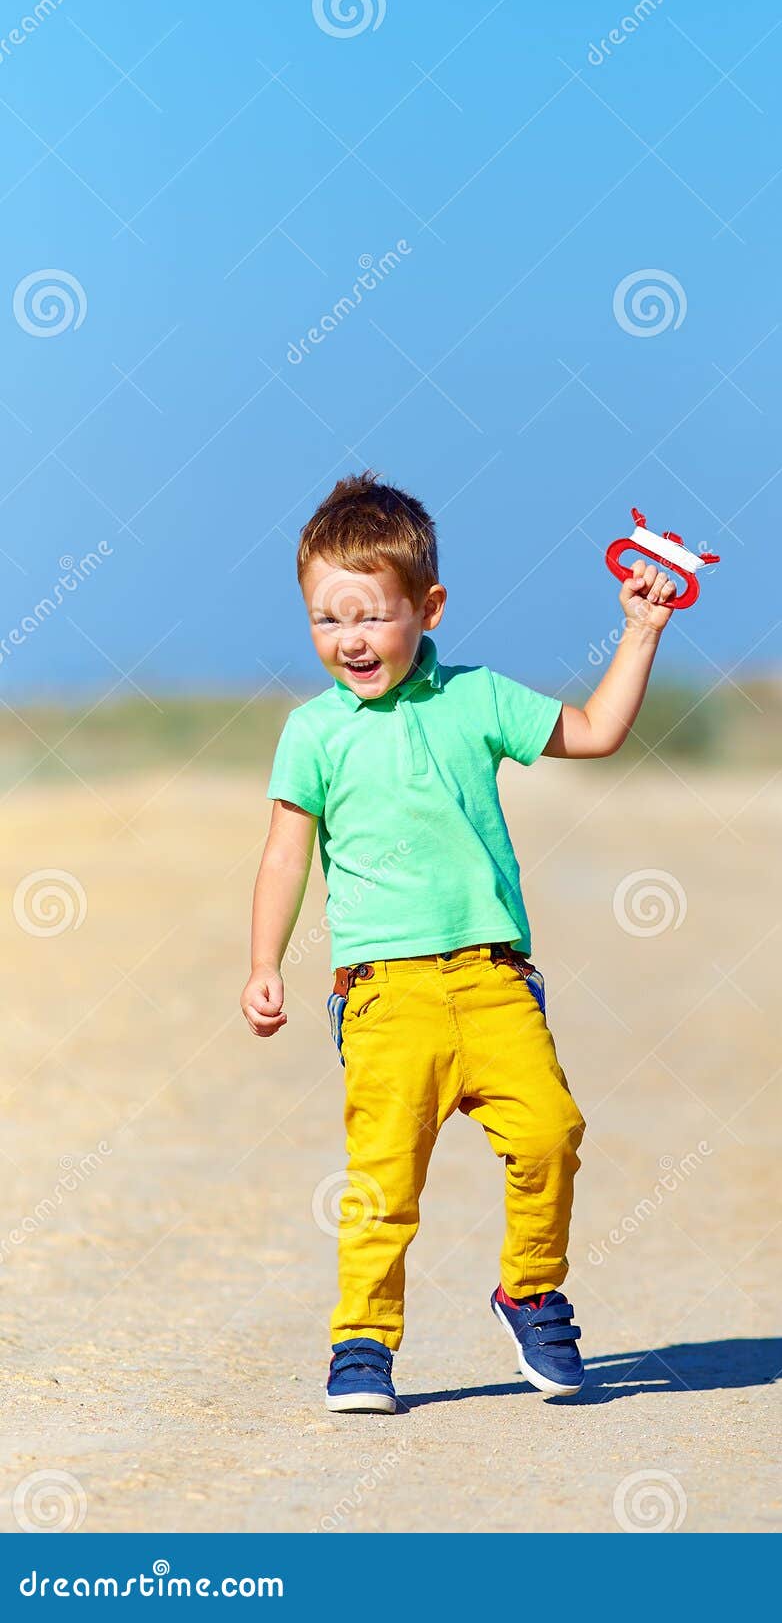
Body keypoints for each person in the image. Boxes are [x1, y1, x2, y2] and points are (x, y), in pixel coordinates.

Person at [239, 470, 678, 1412]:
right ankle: (361, 1344)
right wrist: (264, 964)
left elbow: (596, 731)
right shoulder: (312, 731)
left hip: (493, 981)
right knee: (384, 1180)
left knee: (552, 1132)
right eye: (326, 621)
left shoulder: (478, 698)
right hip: (384, 996)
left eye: (370, 617)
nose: (350, 641)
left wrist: (640, 630)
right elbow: (284, 855)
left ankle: (530, 1287)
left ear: (427, 606)